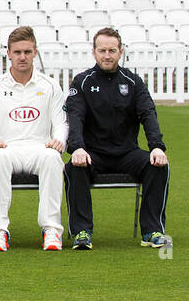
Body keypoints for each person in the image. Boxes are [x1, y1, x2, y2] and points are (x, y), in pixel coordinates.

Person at [64, 27, 172, 250]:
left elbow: (148, 114)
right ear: (93, 52)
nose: (107, 55)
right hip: (93, 154)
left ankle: (152, 231)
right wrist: (77, 148)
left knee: (158, 165)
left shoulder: (133, 82)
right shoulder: (82, 82)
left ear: (120, 52)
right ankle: (82, 232)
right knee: (74, 168)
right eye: (102, 50)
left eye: (112, 50)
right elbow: (75, 117)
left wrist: (157, 147)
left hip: (126, 153)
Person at [0, 26, 68, 252]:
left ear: (35, 52)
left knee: (52, 158)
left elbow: (61, 123)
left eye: (27, 52)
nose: (22, 57)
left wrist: (59, 140)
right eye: (17, 52)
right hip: (7, 147)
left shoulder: (49, 86)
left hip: (39, 147)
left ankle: (51, 230)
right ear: (8, 53)